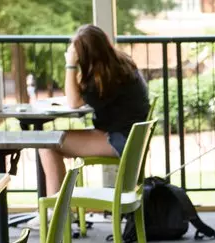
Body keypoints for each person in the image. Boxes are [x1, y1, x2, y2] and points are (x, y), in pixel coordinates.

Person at [38, 24, 150, 199]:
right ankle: (60, 211)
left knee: (47, 145)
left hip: (118, 139)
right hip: (127, 137)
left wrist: (70, 65)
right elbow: (81, 95)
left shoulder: (108, 77)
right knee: (50, 144)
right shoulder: (118, 66)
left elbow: (74, 102)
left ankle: (56, 213)